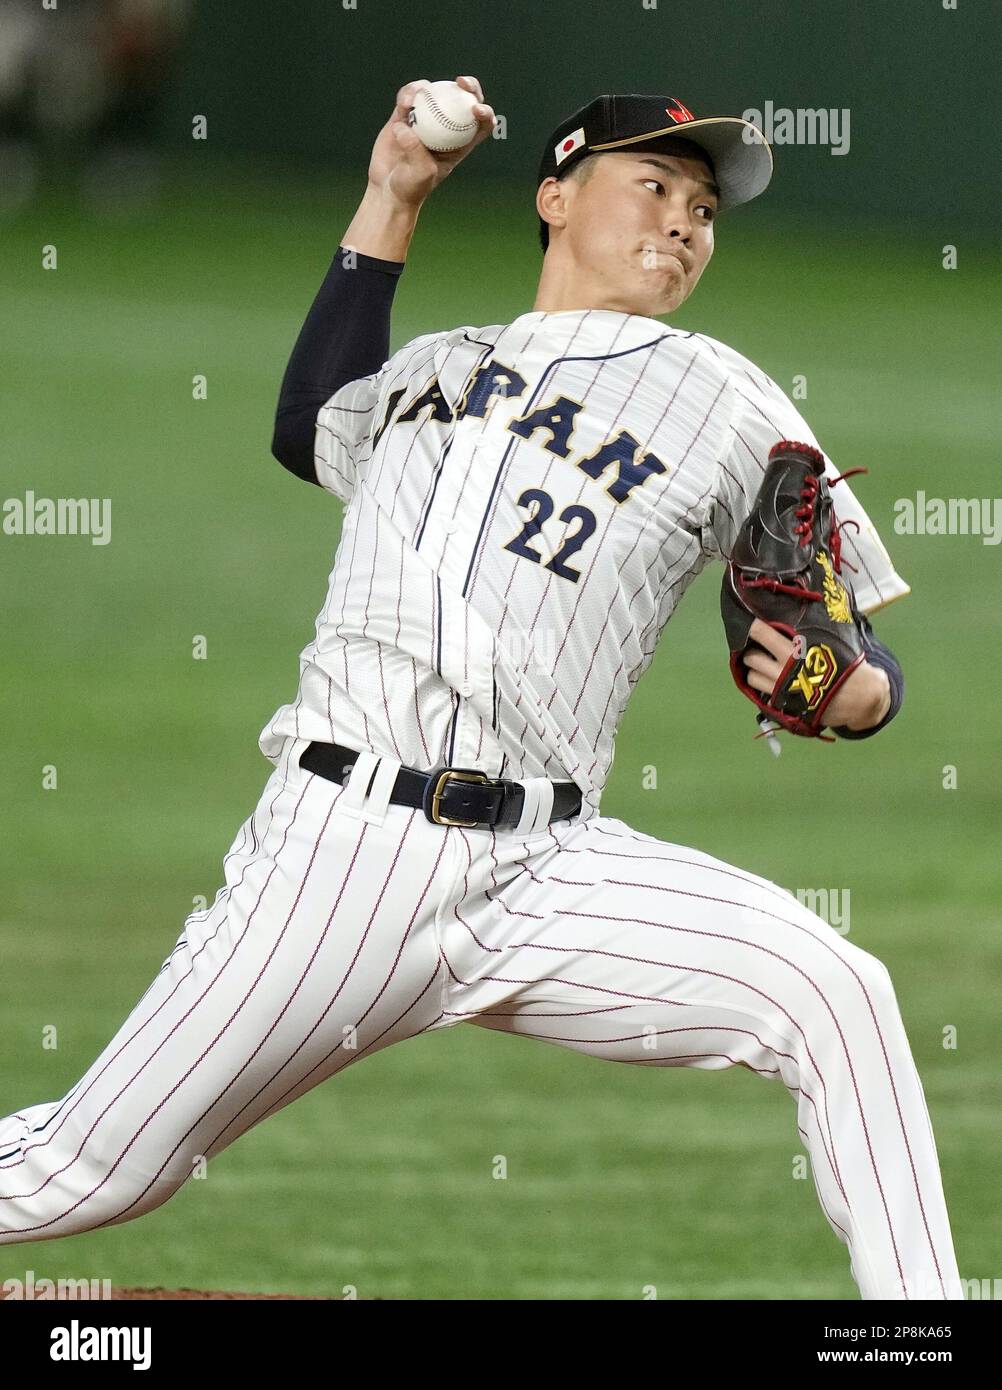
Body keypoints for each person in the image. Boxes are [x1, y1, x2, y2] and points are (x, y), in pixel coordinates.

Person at [0, 79, 962, 1301]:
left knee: (837, 993)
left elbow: (852, 648)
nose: (683, 220)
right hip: (345, 855)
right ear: (556, 198)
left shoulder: (732, 399)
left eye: (705, 207)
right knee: (88, 1172)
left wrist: (850, 694)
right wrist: (393, 192)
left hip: (551, 871)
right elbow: (308, 424)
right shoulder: (436, 365)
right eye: (653, 185)